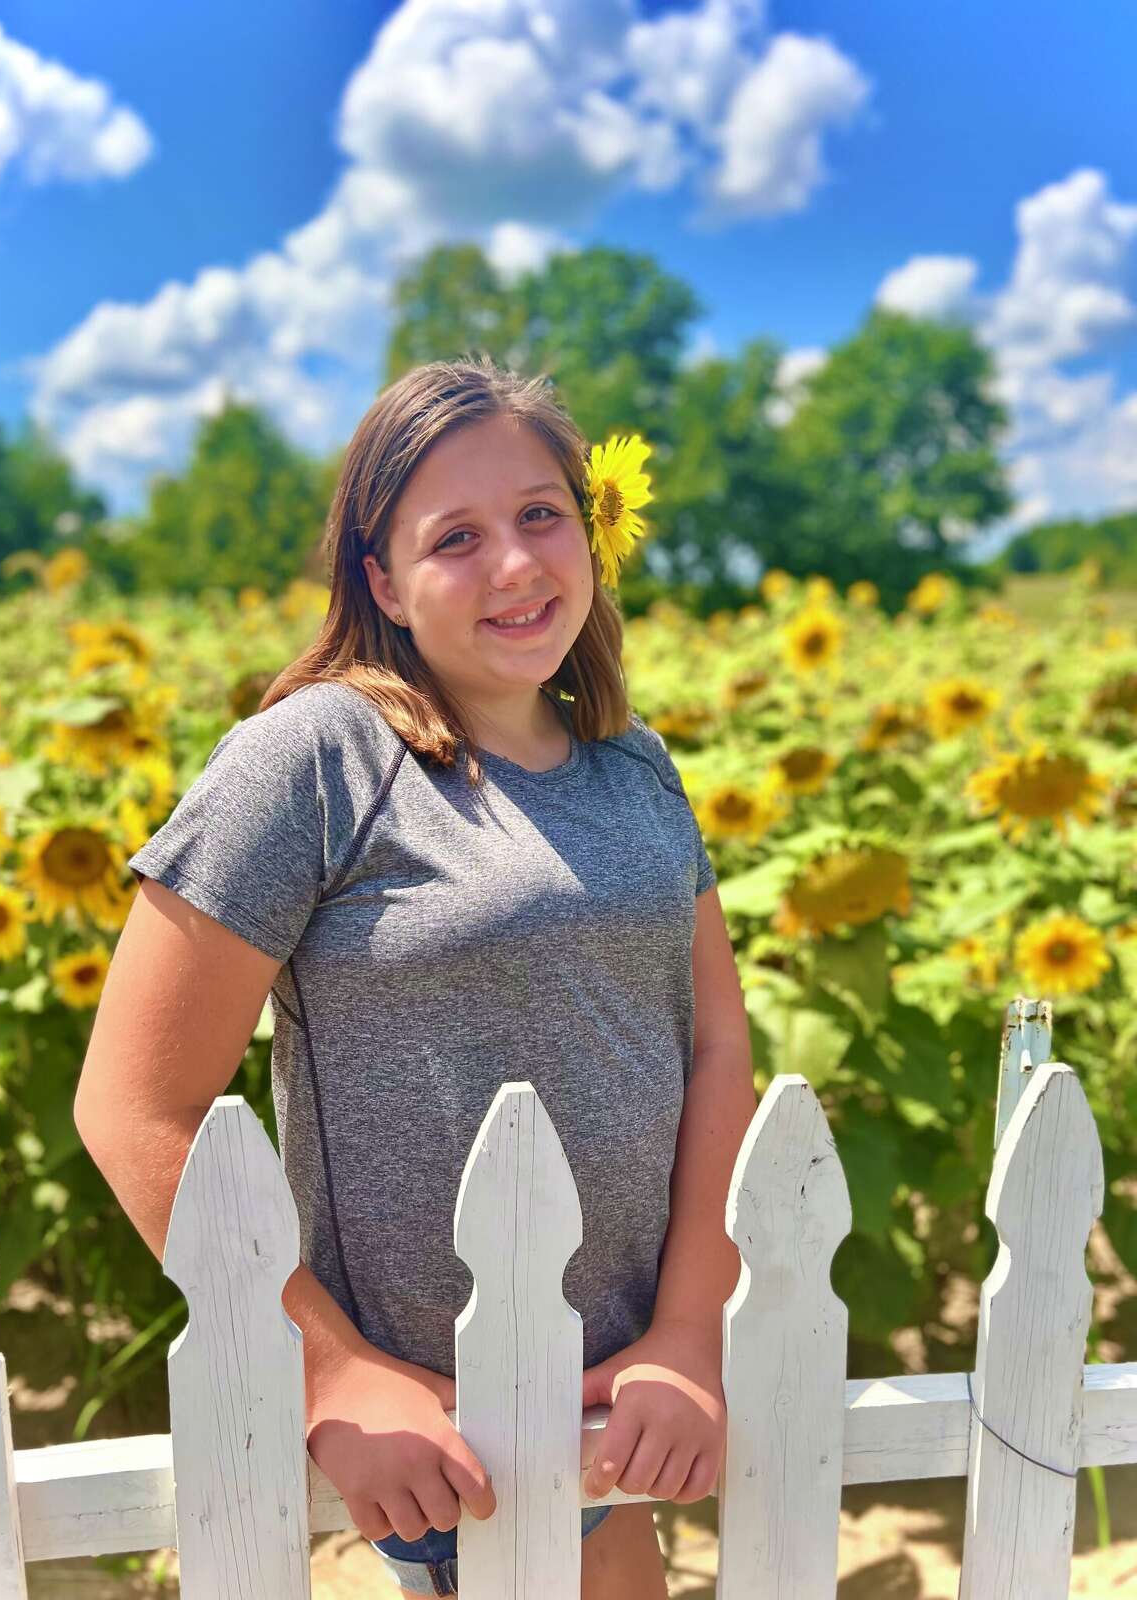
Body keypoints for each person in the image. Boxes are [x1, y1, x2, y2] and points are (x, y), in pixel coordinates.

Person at [74, 354, 757, 1599]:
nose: (515, 563)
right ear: (381, 580)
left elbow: (715, 1042)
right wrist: (325, 1367)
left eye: (542, 513)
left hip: (614, 1387)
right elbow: (133, 1103)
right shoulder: (314, 758)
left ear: (592, 528)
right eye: (457, 537)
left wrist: (689, 1331)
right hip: (428, 1420)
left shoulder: (635, 767)